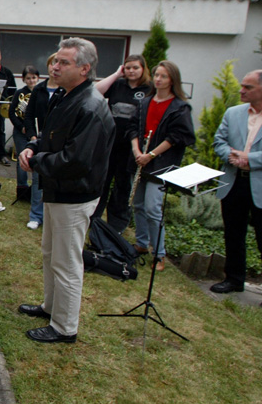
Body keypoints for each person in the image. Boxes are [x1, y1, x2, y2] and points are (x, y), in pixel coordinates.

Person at [18, 38, 115, 344]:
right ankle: (50, 307)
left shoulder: (90, 107)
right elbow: (50, 135)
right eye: (55, 61)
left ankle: (64, 327)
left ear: (85, 69)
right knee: (50, 254)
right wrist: (33, 147)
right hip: (57, 190)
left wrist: (37, 162)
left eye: (63, 62)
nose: (55, 66)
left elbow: (76, 160)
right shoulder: (64, 94)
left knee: (67, 262)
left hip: (74, 195)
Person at [127, 60, 195, 272]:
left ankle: (159, 253)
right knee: (138, 205)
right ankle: (141, 243)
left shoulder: (180, 107)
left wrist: (152, 154)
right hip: (140, 159)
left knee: (152, 209)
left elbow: (178, 136)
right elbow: (132, 128)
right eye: (156, 75)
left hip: (161, 165)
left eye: (163, 76)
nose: (158, 79)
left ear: (172, 79)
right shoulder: (145, 102)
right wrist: (138, 152)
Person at [210, 70, 262, 295]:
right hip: (234, 182)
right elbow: (218, 141)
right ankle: (234, 279)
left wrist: (248, 158)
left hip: (259, 184)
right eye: (242, 86)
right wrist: (230, 155)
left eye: (248, 87)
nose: (241, 90)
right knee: (233, 233)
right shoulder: (233, 113)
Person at [94, 55, 152, 231]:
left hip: (131, 147)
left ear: (143, 69)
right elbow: (96, 91)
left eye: (135, 67)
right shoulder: (118, 84)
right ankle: (93, 219)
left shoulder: (149, 89)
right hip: (110, 142)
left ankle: (116, 225)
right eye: (128, 68)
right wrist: (116, 74)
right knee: (101, 181)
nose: (131, 71)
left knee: (123, 185)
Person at [22, 54, 60, 230]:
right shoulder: (39, 89)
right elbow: (29, 115)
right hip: (40, 139)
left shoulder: (66, 90)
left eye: (59, 63)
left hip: (59, 142)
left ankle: (53, 216)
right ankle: (36, 215)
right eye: (52, 64)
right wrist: (32, 137)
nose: (55, 67)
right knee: (38, 179)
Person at [9, 65, 40, 202]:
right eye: (28, 78)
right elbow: (12, 113)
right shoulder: (19, 93)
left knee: (36, 161)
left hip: (35, 133)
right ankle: (22, 189)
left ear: (38, 78)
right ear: (23, 79)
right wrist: (21, 126)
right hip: (21, 132)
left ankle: (35, 190)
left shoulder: (40, 93)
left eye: (34, 78)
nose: (31, 81)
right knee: (22, 160)